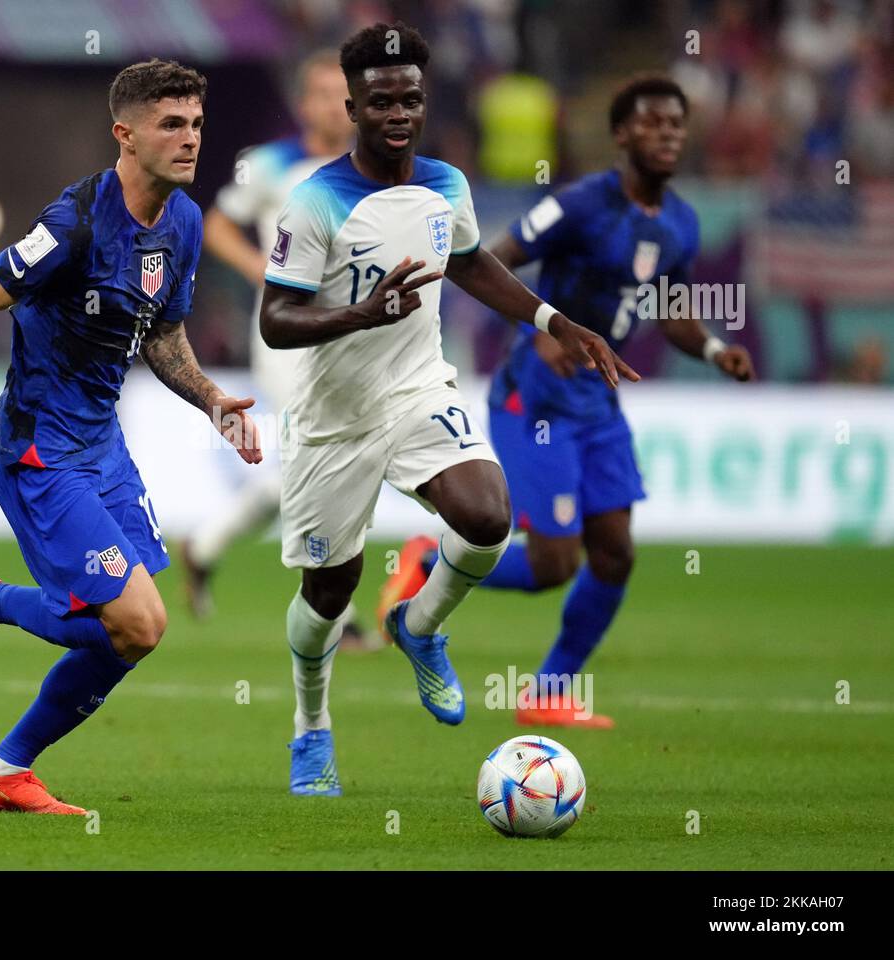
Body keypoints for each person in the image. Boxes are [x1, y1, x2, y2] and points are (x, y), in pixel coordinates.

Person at [0, 60, 260, 815]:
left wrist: (211, 400)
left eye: (196, 122)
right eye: (171, 124)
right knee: (130, 618)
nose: (191, 138)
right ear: (125, 136)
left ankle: (2, 765)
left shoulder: (184, 223)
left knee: (137, 631)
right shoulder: (76, 224)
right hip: (38, 450)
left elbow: (161, 335)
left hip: (102, 447)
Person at [260, 22, 636, 796]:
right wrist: (358, 314)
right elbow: (275, 318)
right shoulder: (316, 202)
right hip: (334, 417)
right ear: (354, 105)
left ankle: (419, 625)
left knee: (488, 515)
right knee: (327, 594)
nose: (399, 113)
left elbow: (468, 261)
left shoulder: (445, 184)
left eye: (411, 99)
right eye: (381, 101)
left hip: (419, 389)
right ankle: (311, 727)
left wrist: (553, 320)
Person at [383, 74, 755, 729]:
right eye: (651, 123)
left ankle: (550, 690)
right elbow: (488, 261)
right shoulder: (581, 205)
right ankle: (428, 559)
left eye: (676, 125)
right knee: (556, 562)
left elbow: (671, 311)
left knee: (615, 553)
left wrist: (715, 350)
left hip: (599, 404)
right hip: (538, 400)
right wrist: (540, 325)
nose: (666, 134)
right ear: (621, 134)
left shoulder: (681, 222)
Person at [182, 49, 364, 644]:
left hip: (354, 332)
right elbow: (216, 225)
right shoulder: (267, 165)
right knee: (319, 456)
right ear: (303, 102)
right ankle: (336, 610)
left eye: (345, 94)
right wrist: (263, 271)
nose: (335, 105)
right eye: (321, 93)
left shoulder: (375, 168)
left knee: (332, 460)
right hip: (288, 334)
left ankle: (205, 546)